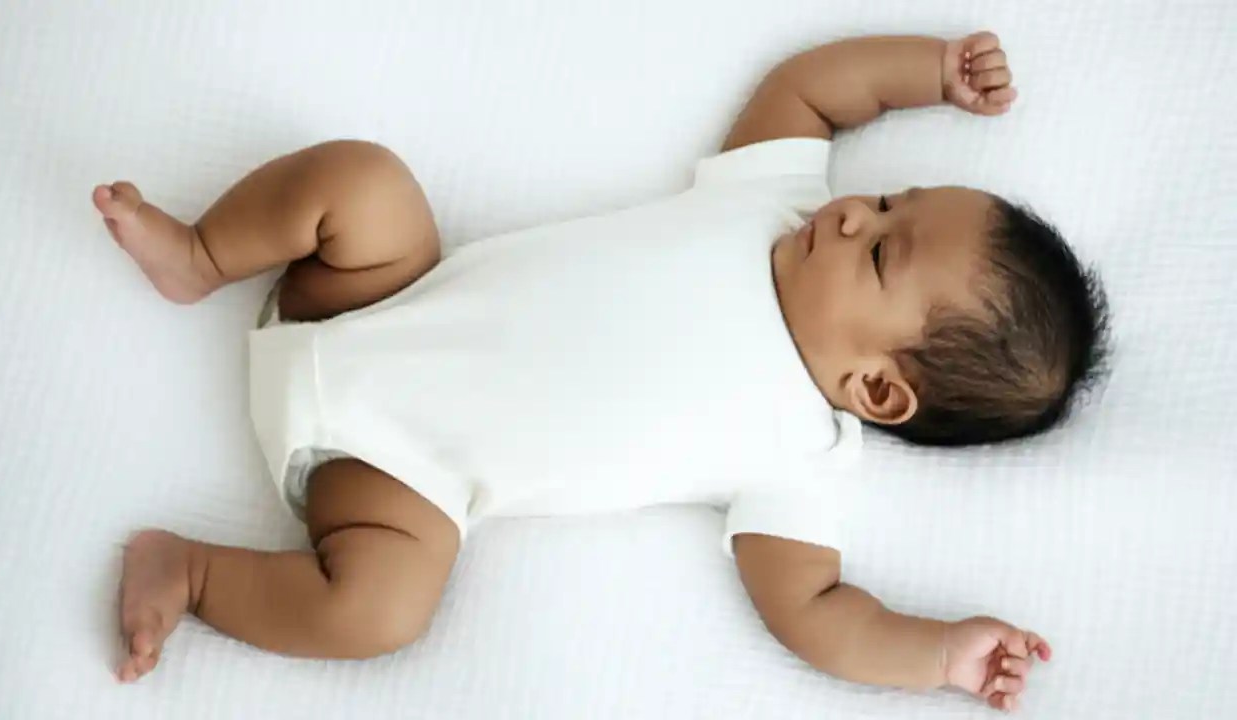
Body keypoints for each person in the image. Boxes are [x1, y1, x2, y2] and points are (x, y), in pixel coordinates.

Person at [96, 31, 1107, 713]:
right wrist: (931, 68)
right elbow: (805, 89)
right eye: (889, 200)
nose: (851, 216)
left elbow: (819, 615)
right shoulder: (774, 199)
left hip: (394, 479)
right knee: (364, 182)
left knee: (381, 611)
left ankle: (194, 575)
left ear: (878, 391)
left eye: (880, 252)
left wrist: (938, 656)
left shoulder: (799, 459)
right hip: (370, 294)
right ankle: (200, 255)